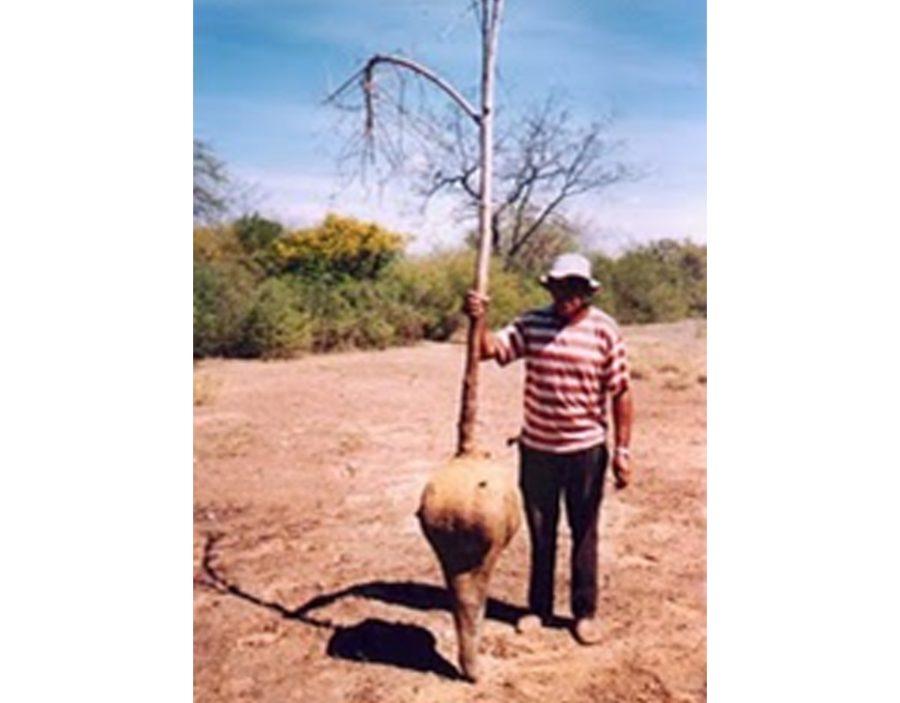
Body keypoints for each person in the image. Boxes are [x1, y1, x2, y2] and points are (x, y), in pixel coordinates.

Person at [463, 253, 634, 645]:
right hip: (538, 449)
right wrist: (478, 317)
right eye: (559, 286)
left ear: (586, 292)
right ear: (551, 288)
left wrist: (623, 450)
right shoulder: (531, 323)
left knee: (584, 532)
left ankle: (584, 613)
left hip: (586, 451)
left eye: (573, 287)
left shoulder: (605, 331)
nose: (565, 294)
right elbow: (487, 350)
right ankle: (538, 608)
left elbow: (622, 391)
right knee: (542, 532)